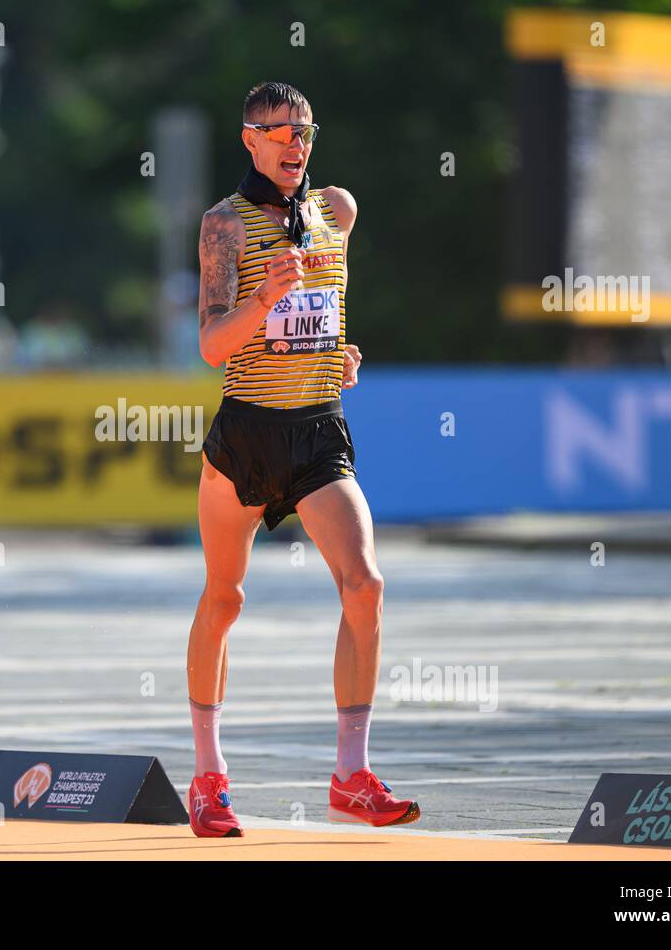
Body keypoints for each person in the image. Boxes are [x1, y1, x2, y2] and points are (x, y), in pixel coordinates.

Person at [185, 82, 415, 838]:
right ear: (248, 138)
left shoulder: (336, 213)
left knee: (367, 584)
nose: (294, 144)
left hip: (318, 430)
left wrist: (336, 356)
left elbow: (322, 316)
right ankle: (210, 778)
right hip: (247, 433)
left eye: (304, 130)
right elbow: (214, 346)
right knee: (225, 599)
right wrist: (261, 302)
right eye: (277, 130)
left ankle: (351, 773)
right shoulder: (226, 225)